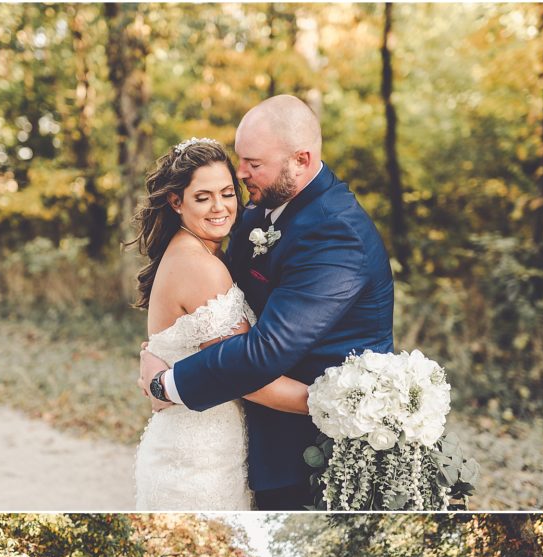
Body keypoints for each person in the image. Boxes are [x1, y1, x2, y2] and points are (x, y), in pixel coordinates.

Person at [139, 95, 395, 511]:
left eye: (252, 164)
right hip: (245, 439)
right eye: (240, 161)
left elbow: (265, 351)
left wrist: (166, 383)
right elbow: (206, 309)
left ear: (301, 159)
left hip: (310, 455)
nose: (241, 176)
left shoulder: (336, 232)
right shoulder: (260, 212)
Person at [132, 138, 309, 510]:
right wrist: (338, 404)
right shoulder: (200, 266)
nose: (220, 207)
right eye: (203, 197)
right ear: (176, 202)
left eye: (228, 193)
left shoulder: (191, 251)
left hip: (196, 442)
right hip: (200, 458)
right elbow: (245, 376)